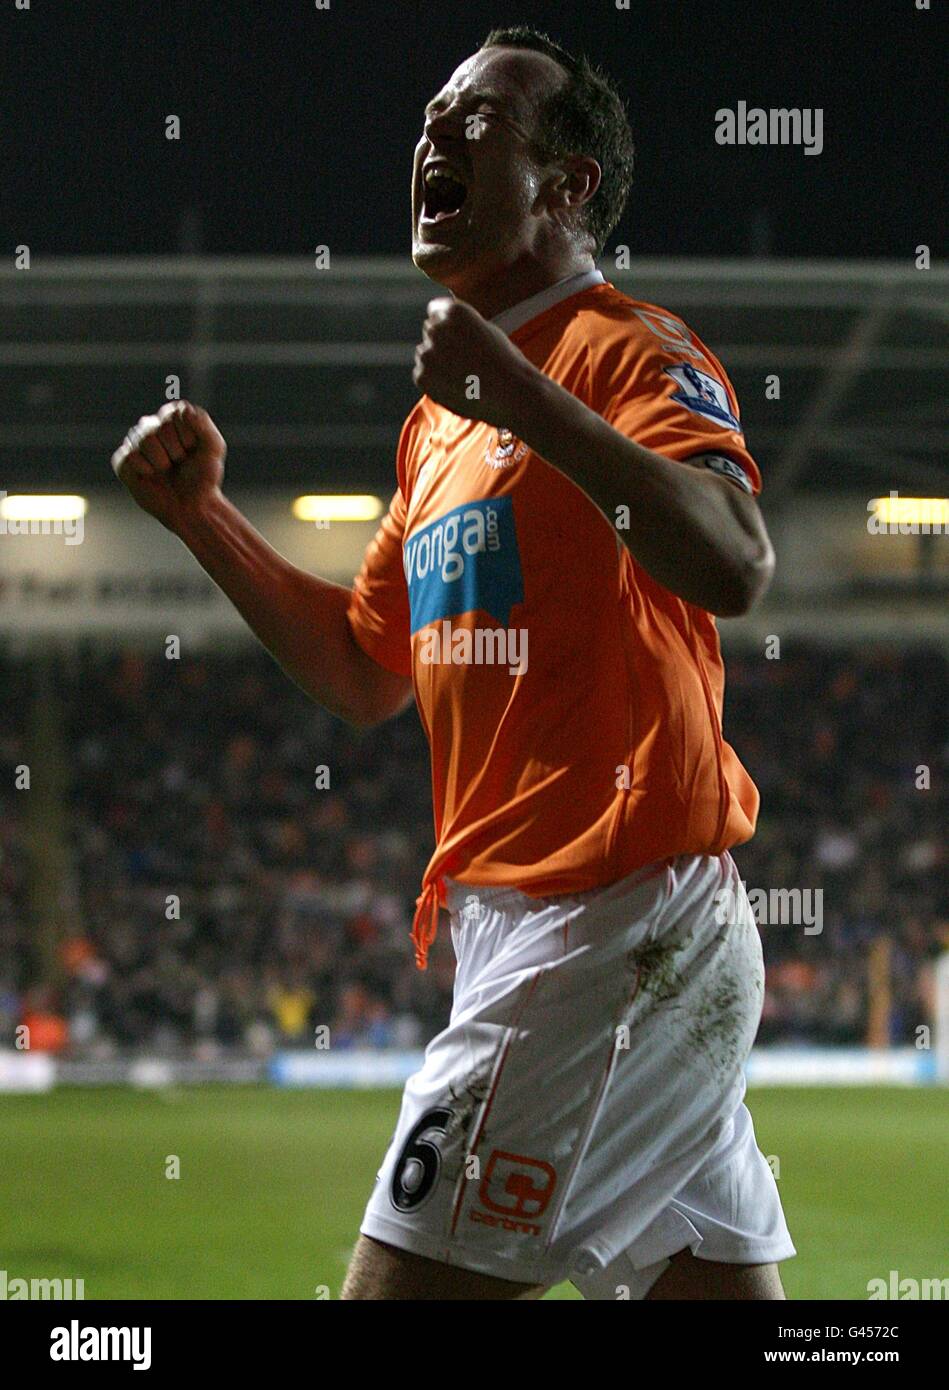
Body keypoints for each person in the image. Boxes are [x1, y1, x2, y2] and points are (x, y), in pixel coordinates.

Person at [112, 26, 793, 1300]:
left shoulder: (629, 347)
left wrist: (524, 397)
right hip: (545, 927)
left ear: (567, 185)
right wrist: (202, 518)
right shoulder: (437, 425)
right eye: (429, 116)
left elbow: (734, 559)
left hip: (606, 918)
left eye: (477, 118)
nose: (434, 132)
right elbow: (362, 669)